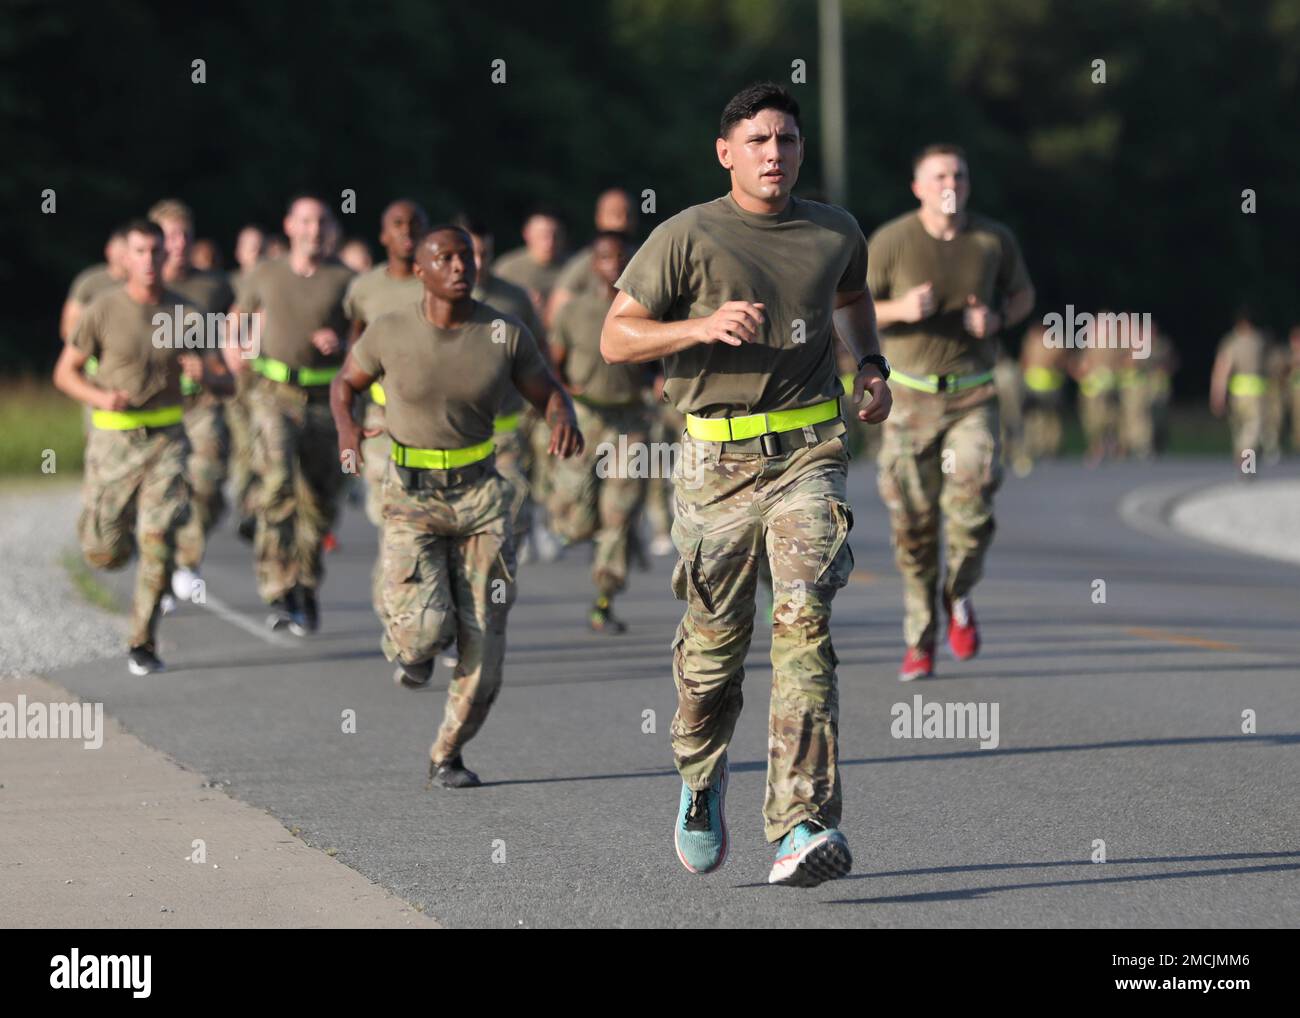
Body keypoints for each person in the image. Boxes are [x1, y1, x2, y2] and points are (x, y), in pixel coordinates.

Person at [602, 82, 891, 886]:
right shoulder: (685, 235)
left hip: (808, 450)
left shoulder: (835, 230)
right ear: (726, 151)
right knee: (712, 655)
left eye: (788, 140)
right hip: (712, 463)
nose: (775, 154)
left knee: (804, 625)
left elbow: (853, 298)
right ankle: (700, 776)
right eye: (759, 141)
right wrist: (698, 326)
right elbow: (616, 336)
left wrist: (870, 364)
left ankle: (800, 823)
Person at [330, 226, 582, 787]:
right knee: (424, 633)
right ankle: (408, 645)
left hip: (481, 495)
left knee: (486, 640)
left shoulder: (502, 332)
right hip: (411, 492)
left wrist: (564, 415)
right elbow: (344, 385)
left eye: (465, 254)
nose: (457, 265)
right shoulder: (390, 330)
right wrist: (347, 433)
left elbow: (547, 390)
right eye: (442, 257)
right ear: (419, 271)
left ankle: (447, 753)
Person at [867, 143, 1034, 681]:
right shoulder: (892, 240)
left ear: (968, 184)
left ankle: (958, 593)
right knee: (913, 528)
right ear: (918, 186)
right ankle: (920, 639)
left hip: (973, 395)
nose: (950, 182)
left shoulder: (992, 240)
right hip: (909, 398)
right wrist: (900, 309)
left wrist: (999, 317)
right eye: (938, 174)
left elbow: (1024, 295)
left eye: (958, 174)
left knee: (974, 499)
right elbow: (852, 307)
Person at [52, 219, 226, 674]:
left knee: (159, 537)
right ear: (125, 257)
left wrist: (207, 375)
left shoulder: (187, 315)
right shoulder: (103, 310)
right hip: (112, 440)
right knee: (104, 553)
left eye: (156, 251)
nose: (149, 260)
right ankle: (106, 530)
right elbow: (64, 373)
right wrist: (99, 397)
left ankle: (143, 641)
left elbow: (226, 381)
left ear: (167, 257)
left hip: (167, 441)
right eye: (140, 251)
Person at [224, 194, 354, 633]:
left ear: (330, 228)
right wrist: (234, 353)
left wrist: (342, 345)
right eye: (304, 222)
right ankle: (278, 589)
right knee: (277, 484)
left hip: (324, 400)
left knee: (318, 501)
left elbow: (369, 339)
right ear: (290, 226)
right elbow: (236, 320)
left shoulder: (346, 279)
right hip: (272, 394)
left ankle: (307, 584)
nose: (313, 230)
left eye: (320, 222)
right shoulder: (267, 273)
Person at [547, 232, 651, 632]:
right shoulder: (574, 313)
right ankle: (584, 531)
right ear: (593, 264)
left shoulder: (647, 308)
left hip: (630, 422)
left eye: (620, 258)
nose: (613, 264)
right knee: (575, 520)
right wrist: (558, 402)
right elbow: (551, 363)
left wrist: (658, 380)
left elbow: (660, 358)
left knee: (619, 514)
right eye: (605, 257)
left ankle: (604, 599)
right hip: (584, 419)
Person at [342, 199, 430, 617]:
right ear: (383, 235)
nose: (406, 231)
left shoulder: (440, 283)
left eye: (415, 224)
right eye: (397, 224)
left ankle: (425, 609)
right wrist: (348, 423)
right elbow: (353, 357)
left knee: (425, 519)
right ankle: (393, 610)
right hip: (381, 419)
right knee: (390, 518)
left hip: (434, 420)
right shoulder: (365, 289)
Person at [148, 200, 237, 597]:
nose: (180, 243)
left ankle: (188, 560)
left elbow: (235, 348)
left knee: (206, 483)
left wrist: (213, 371)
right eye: (170, 235)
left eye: (186, 234)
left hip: (201, 403)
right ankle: (162, 569)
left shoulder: (215, 287)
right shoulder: (142, 289)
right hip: (154, 407)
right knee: (162, 490)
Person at [453, 213, 549, 554]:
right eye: (468, 254)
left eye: (484, 254)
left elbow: (538, 355)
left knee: (509, 519)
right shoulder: (434, 300)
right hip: (450, 435)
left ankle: (492, 588)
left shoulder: (513, 299)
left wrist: (553, 407)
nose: (477, 263)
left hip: (504, 432)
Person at [545, 188, 637, 325]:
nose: (622, 222)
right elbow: (556, 313)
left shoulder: (643, 257)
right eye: (615, 214)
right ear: (599, 218)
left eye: (628, 215)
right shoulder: (582, 264)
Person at [1210, 306, 1272, 467]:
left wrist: (1217, 395)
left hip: (1236, 394)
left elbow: (1221, 370)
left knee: (1239, 429)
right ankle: (1246, 460)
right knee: (1252, 430)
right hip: (1255, 395)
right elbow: (1269, 368)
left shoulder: (1231, 342)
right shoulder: (1259, 341)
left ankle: (1243, 457)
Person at [492, 207, 566, 319]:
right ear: (527, 234)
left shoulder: (572, 267)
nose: (550, 242)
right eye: (543, 235)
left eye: (555, 235)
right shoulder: (507, 268)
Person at [60, 228, 129, 342]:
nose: (122, 255)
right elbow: (69, 325)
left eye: (126, 250)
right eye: (119, 249)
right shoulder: (90, 282)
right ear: (108, 250)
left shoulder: (143, 285)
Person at [1018, 321, 1069, 466]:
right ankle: (1040, 448)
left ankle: (1047, 448)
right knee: (1038, 419)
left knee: (1047, 419)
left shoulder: (1039, 340)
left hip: (1046, 386)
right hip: (1039, 385)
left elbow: (1025, 361)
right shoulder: (1051, 341)